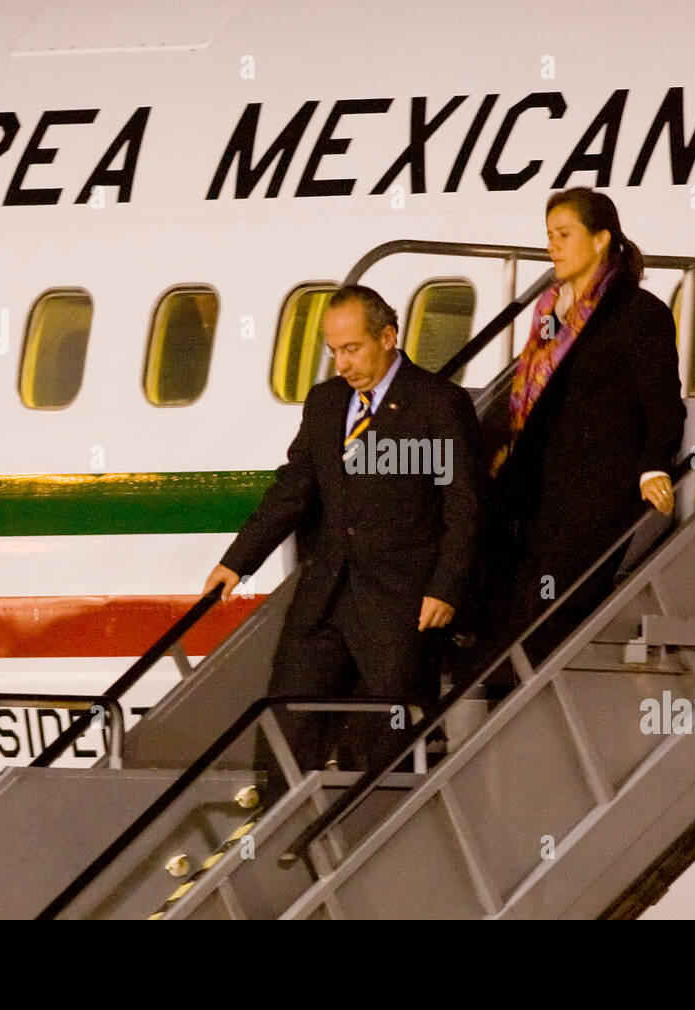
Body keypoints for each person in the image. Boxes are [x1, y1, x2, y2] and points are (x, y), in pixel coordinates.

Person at [203, 285, 484, 795]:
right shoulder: (327, 403)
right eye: (334, 350)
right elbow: (295, 487)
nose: (342, 363)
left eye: (352, 348)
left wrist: (446, 587)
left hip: (400, 602)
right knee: (287, 716)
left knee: (388, 738)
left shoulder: (437, 404)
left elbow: (464, 505)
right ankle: (274, 832)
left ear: (388, 337)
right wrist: (238, 561)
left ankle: (382, 838)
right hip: (326, 594)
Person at [475, 187, 684, 667]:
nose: (553, 245)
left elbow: (663, 401)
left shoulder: (638, 312)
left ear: (601, 239)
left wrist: (654, 465)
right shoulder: (549, 313)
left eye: (564, 234)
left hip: (597, 488)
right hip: (540, 486)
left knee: (550, 601)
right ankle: (492, 684)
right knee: (503, 580)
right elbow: (527, 393)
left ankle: (522, 695)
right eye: (549, 236)